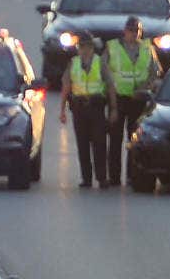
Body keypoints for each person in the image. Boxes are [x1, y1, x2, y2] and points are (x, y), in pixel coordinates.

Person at [102, 17, 161, 190]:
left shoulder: (147, 48)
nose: (134, 34)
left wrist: (146, 86)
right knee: (115, 139)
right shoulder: (112, 48)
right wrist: (111, 103)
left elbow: (155, 71)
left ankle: (131, 176)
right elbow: (105, 72)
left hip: (139, 99)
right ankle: (113, 177)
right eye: (131, 30)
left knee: (135, 140)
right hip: (118, 98)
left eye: (137, 31)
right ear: (125, 31)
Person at [63, 35, 110, 190]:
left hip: (96, 107)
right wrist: (62, 110)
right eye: (82, 47)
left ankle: (102, 178)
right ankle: (86, 178)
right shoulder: (73, 64)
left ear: (92, 48)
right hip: (79, 108)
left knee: (99, 143)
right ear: (79, 49)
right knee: (82, 144)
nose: (85, 50)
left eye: (88, 47)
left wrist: (114, 108)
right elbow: (66, 87)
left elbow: (110, 86)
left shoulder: (100, 62)